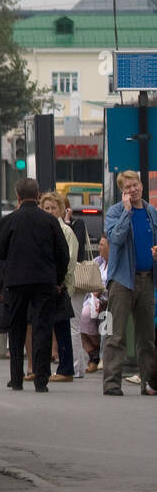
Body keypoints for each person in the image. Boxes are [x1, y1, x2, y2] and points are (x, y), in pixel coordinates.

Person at [0, 178, 69, 392]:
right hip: (44, 282)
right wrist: (58, 279)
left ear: (18, 197)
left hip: (16, 282)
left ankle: (16, 378)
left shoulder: (9, 221)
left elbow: (0, 251)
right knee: (42, 328)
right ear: (38, 196)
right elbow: (62, 254)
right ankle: (41, 379)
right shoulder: (50, 221)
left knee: (16, 329)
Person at [101, 170, 157, 397]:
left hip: (147, 278)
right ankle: (112, 383)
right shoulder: (115, 212)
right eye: (127, 187)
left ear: (141, 186)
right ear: (122, 192)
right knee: (116, 334)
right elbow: (115, 238)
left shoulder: (152, 212)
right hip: (123, 280)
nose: (133, 190)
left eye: (135, 185)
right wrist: (126, 212)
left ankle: (148, 383)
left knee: (147, 337)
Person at [39, 192, 79, 382]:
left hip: (61, 286)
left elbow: (69, 260)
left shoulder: (66, 231)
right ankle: (44, 368)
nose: (50, 211)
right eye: (46, 208)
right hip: (45, 284)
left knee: (62, 328)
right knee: (47, 327)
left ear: (61, 210)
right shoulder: (41, 229)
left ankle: (66, 368)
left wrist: (60, 282)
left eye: (54, 207)